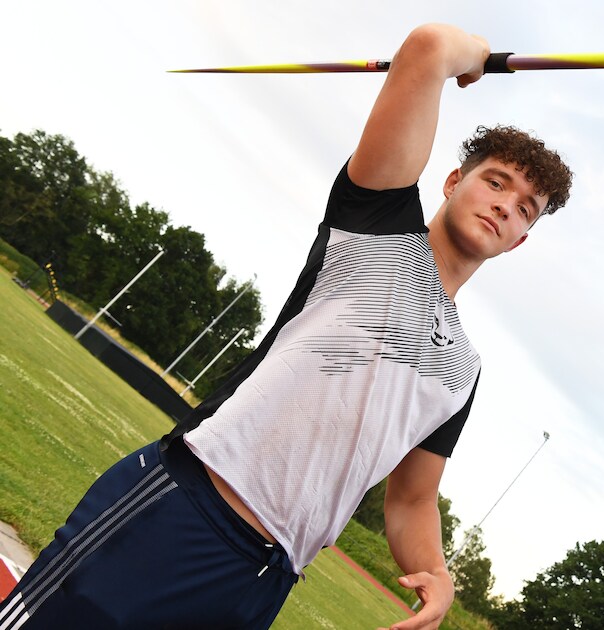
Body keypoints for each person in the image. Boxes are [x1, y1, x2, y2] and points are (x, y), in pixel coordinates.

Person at [0, 23, 572, 630]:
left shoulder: (462, 368)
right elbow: (428, 48)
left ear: (519, 241)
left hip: (265, 579)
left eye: (524, 208)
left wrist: (436, 572)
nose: (506, 204)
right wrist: (473, 58)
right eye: (496, 181)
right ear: (454, 182)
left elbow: (411, 498)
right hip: (184, 508)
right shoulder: (374, 230)